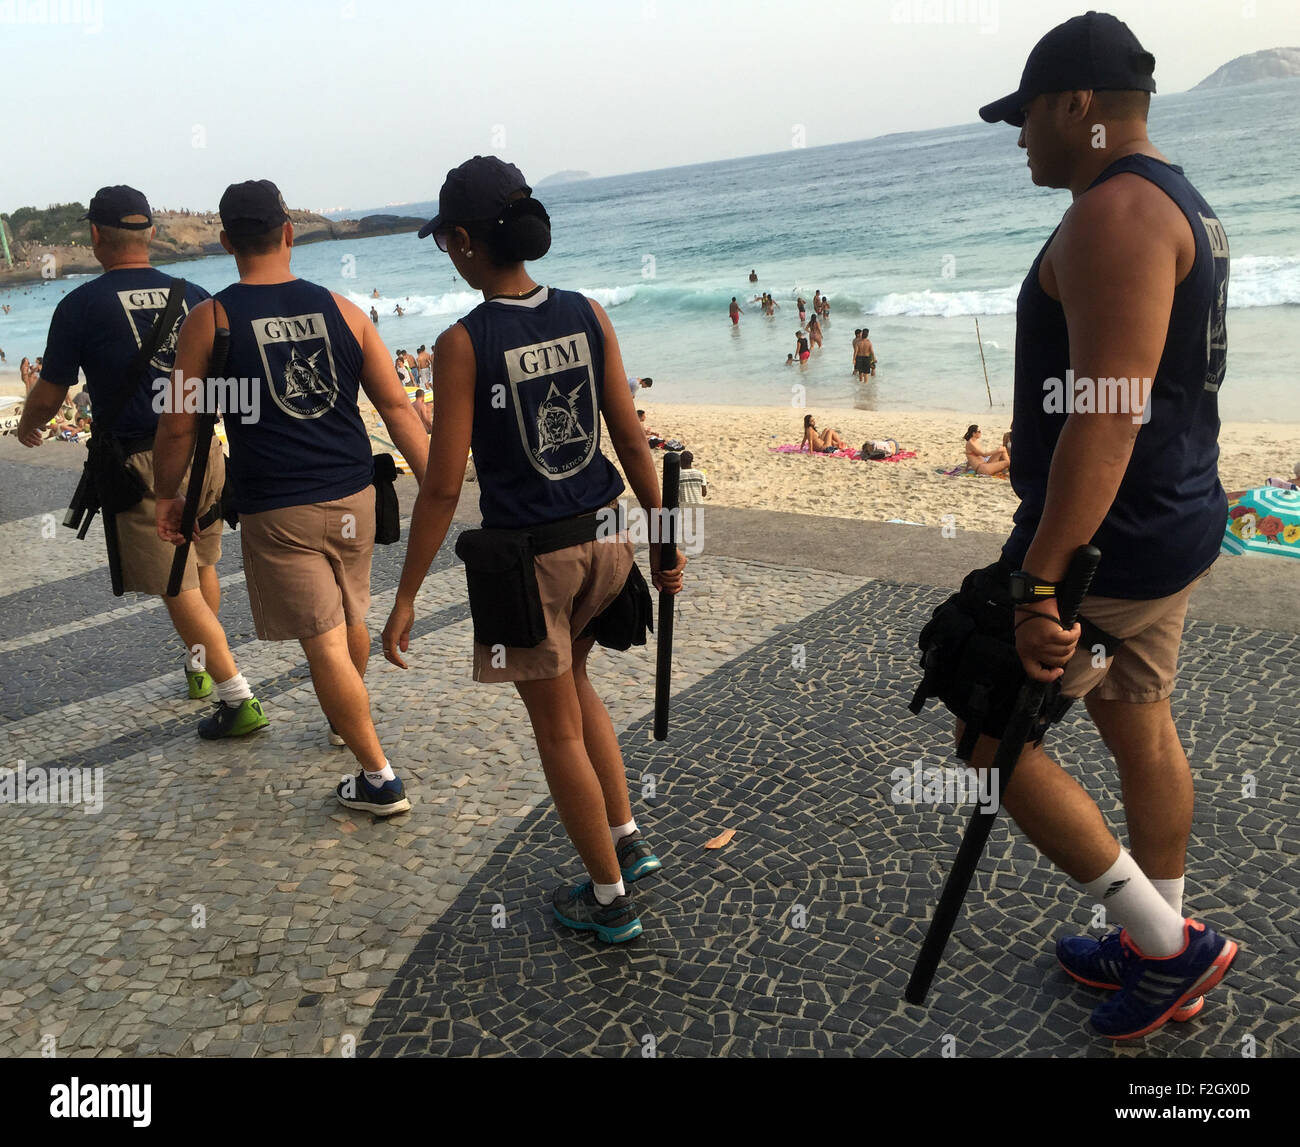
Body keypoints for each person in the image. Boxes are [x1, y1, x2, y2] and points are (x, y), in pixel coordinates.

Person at [944, 12, 1238, 1038]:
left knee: (987, 741)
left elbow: (1104, 416)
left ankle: (1163, 947)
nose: (1019, 136)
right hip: (1173, 520)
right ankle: (1158, 932)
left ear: (1075, 105)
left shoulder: (1112, 214)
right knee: (1134, 718)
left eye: (1025, 116)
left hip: (1107, 545)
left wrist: (1037, 582)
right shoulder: (1182, 203)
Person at [383, 155, 684, 943]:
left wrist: (407, 593)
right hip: (608, 537)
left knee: (554, 728)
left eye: (445, 239)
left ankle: (608, 898)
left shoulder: (463, 341)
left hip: (534, 563)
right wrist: (664, 533)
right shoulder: (586, 312)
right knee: (578, 685)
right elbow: (629, 433)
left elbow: (444, 486)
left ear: (462, 241)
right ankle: (624, 837)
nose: (445, 251)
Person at [155, 179, 430, 812]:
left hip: (278, 508)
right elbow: (394, 405)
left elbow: (177, 422)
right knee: (350, 616)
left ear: (226, 242)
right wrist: (439, 487)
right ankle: (345, 715)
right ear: (288, 232)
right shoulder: (345, 309)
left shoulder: (211, 319)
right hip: (355, 495)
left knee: (324, 639)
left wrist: (168, 495)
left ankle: (379, 777)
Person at [15, 184, 265, 737]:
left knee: (176, 586)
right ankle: (201, 666)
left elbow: (53, 389)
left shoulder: (81, 304)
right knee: (201, 566)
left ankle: (236, 697)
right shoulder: (196, 291)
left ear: (95, 235)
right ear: (151, 233)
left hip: (144, 461)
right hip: (207, 453)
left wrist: (31, 425)